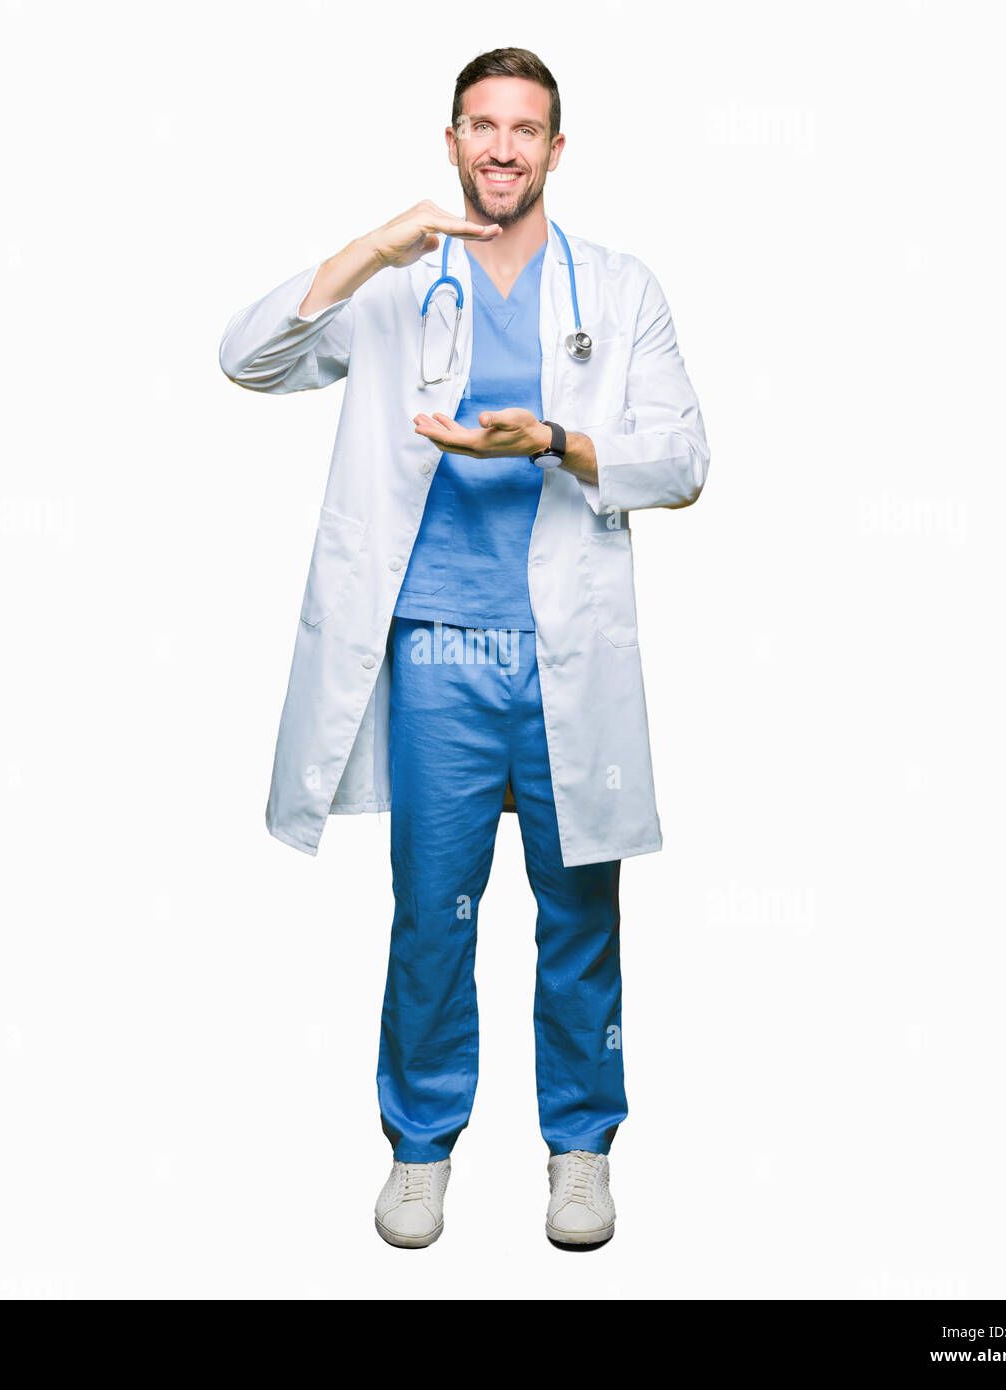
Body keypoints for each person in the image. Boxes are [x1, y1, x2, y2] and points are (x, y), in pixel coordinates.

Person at [218, 47, 709, 1250]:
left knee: (578, 908)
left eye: (524, 128)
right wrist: (369, 248)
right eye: (480, 127)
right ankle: (422, 1144)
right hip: (435, 647)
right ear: (450, 142)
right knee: (431, 910)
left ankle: (580, 1146)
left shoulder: (618, 286)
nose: (501, 148)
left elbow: (684, 459)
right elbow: (249, 358)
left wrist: (555, 440)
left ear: (555, 148)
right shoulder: (394, 286)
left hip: (563, 653)